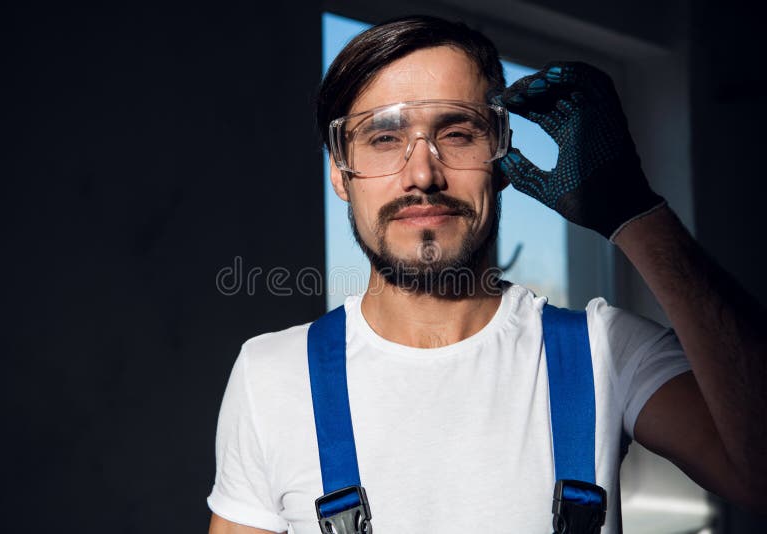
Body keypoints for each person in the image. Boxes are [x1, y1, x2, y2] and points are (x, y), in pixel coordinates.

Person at [207, 15, 766, 534]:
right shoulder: (270, 376)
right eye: (384, 138)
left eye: (457, 133)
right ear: (339, 171)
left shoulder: (606, 351)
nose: (422, 174)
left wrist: (637, 216)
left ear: (500, 158)